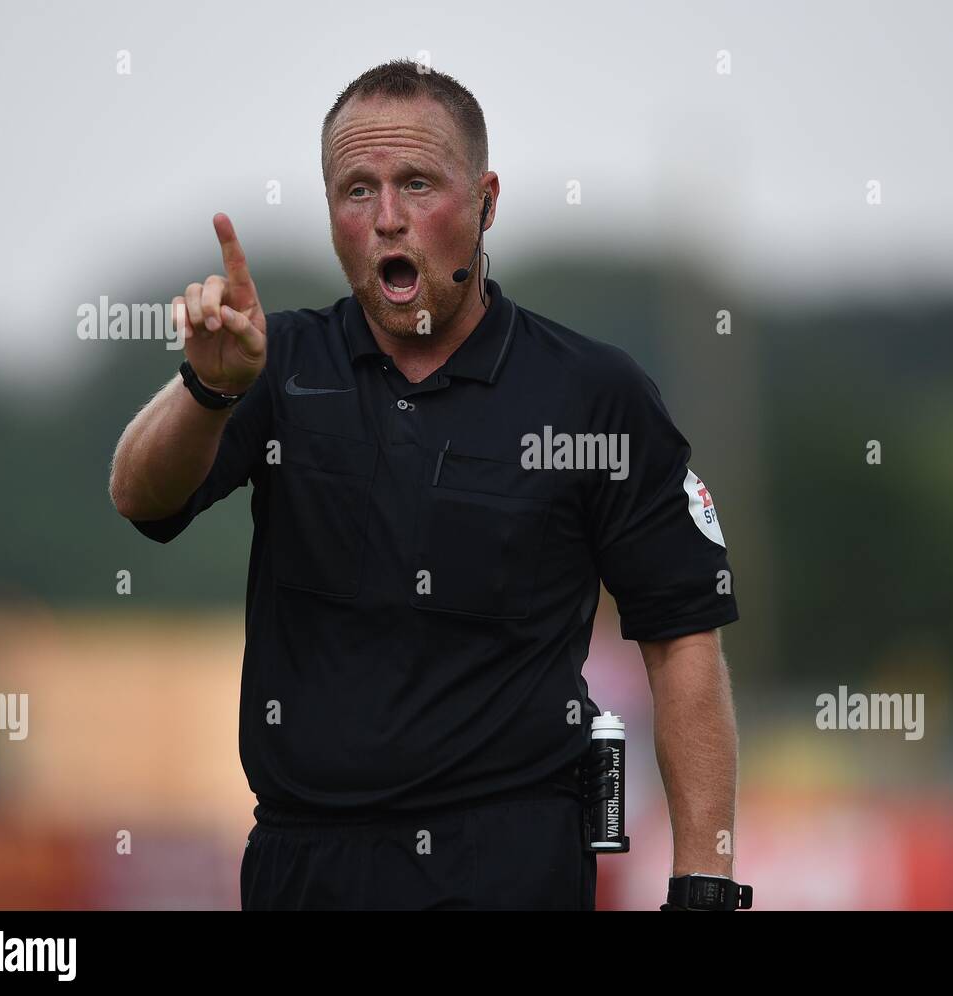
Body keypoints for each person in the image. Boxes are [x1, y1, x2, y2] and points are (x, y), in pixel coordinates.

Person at [109, 59, 747, 911]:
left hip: (510, 863)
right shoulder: (278, 363)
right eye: (356, 190)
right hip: (304, 864)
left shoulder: (593, 393)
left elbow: (683, 638)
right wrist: (209, 388)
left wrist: (704, 881)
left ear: (485, 201)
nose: (388, 219)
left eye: (417, 184)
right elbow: (138, 497)